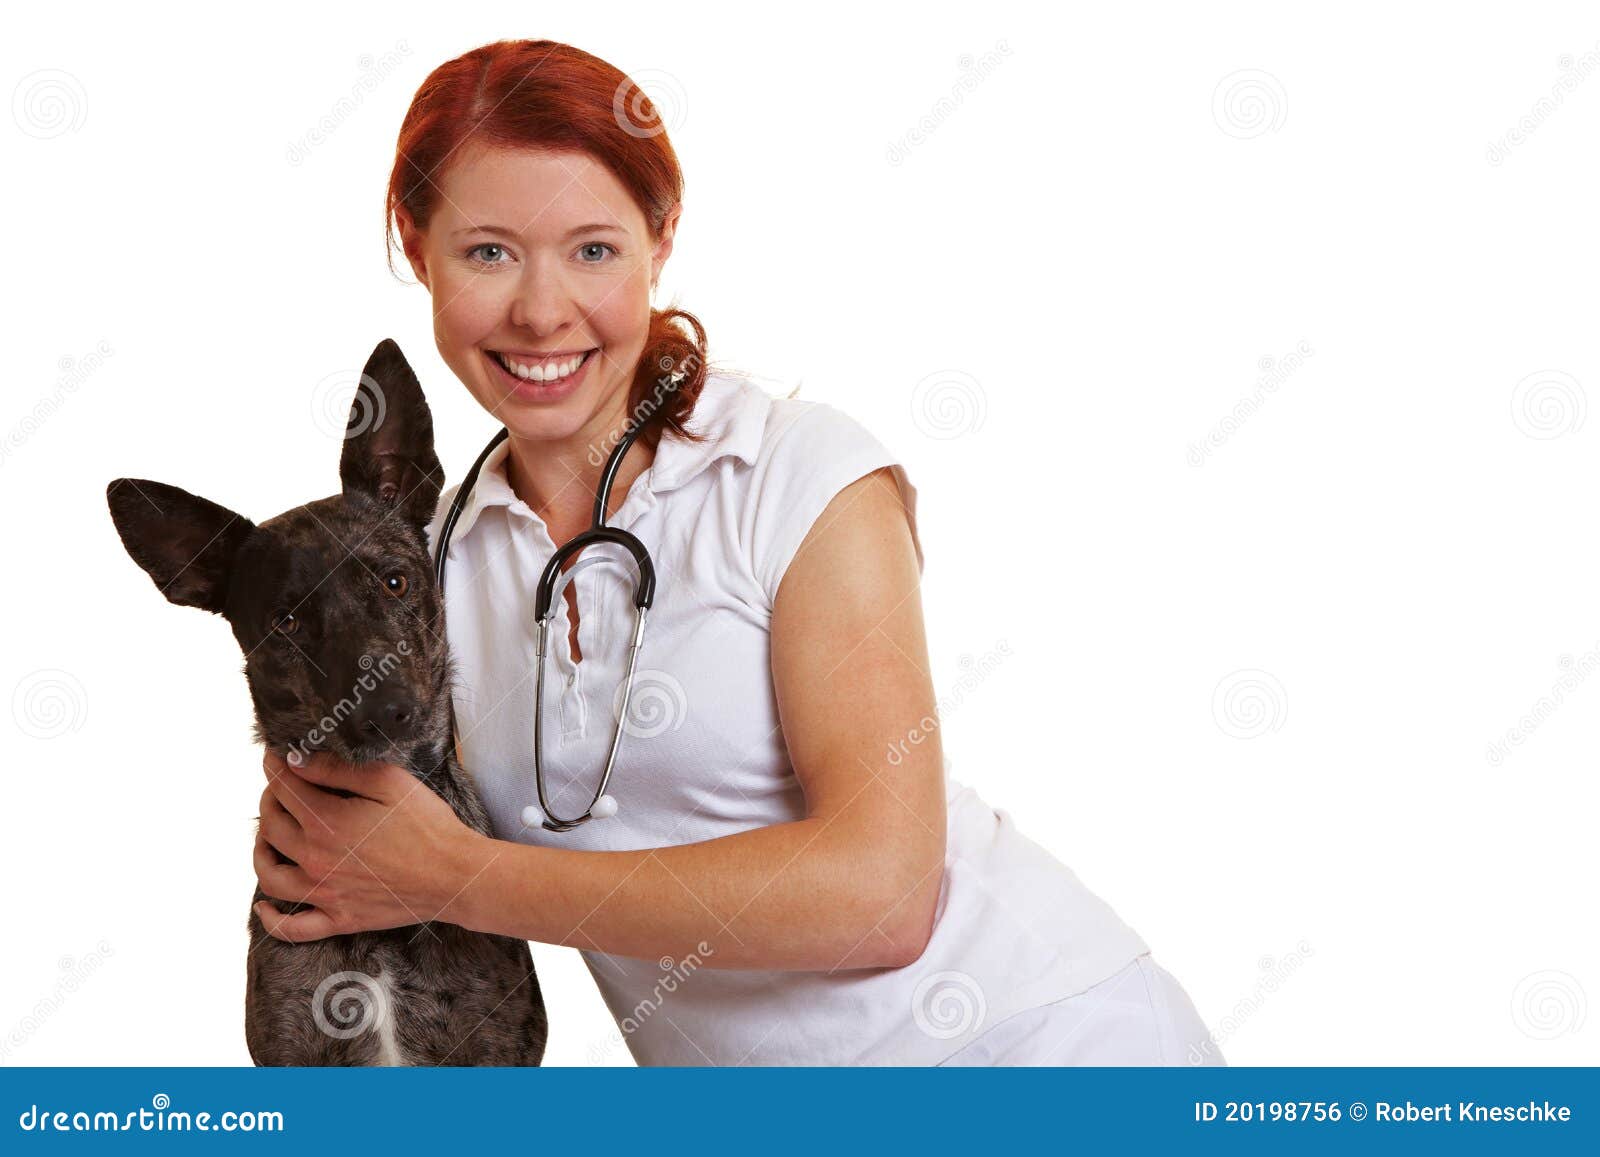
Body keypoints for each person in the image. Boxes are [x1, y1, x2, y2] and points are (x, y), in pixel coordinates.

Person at [253, 37, 1225, 1067]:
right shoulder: (423, 563)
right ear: (417, 245)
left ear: (660, 240)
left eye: (593, 249)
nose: (542, 311)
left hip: (1040, 1053)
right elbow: (354, 840)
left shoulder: (798, 474)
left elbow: (880, 894)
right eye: (488, 251)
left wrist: (458, 876)